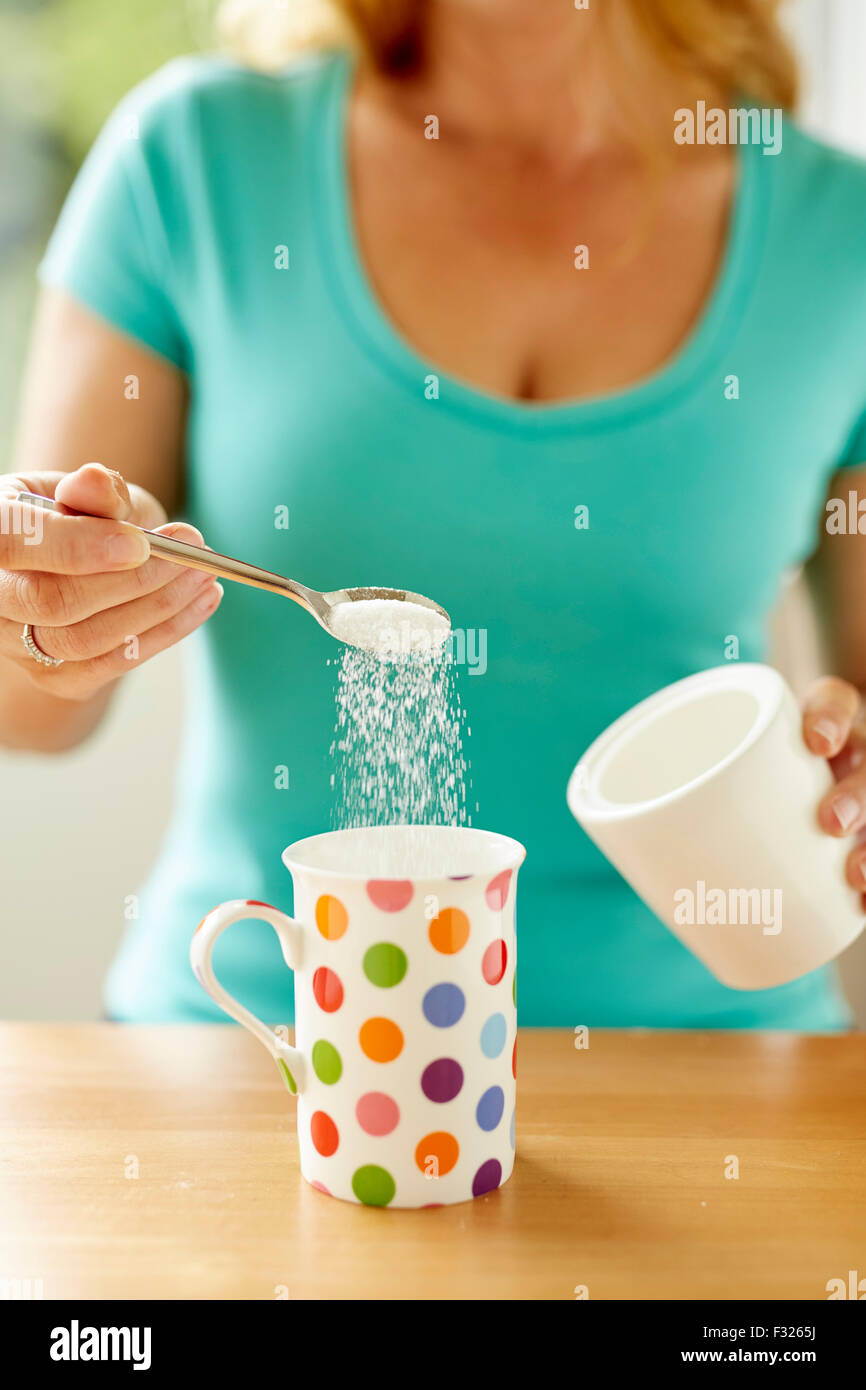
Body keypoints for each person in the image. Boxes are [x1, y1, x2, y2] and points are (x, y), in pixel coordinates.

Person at [3, 0, 866, 1028]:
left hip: (711, 1062)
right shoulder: (194, 161)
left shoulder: (837, 235)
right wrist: (51, 601)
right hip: (261, 1051)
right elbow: (33, 707)